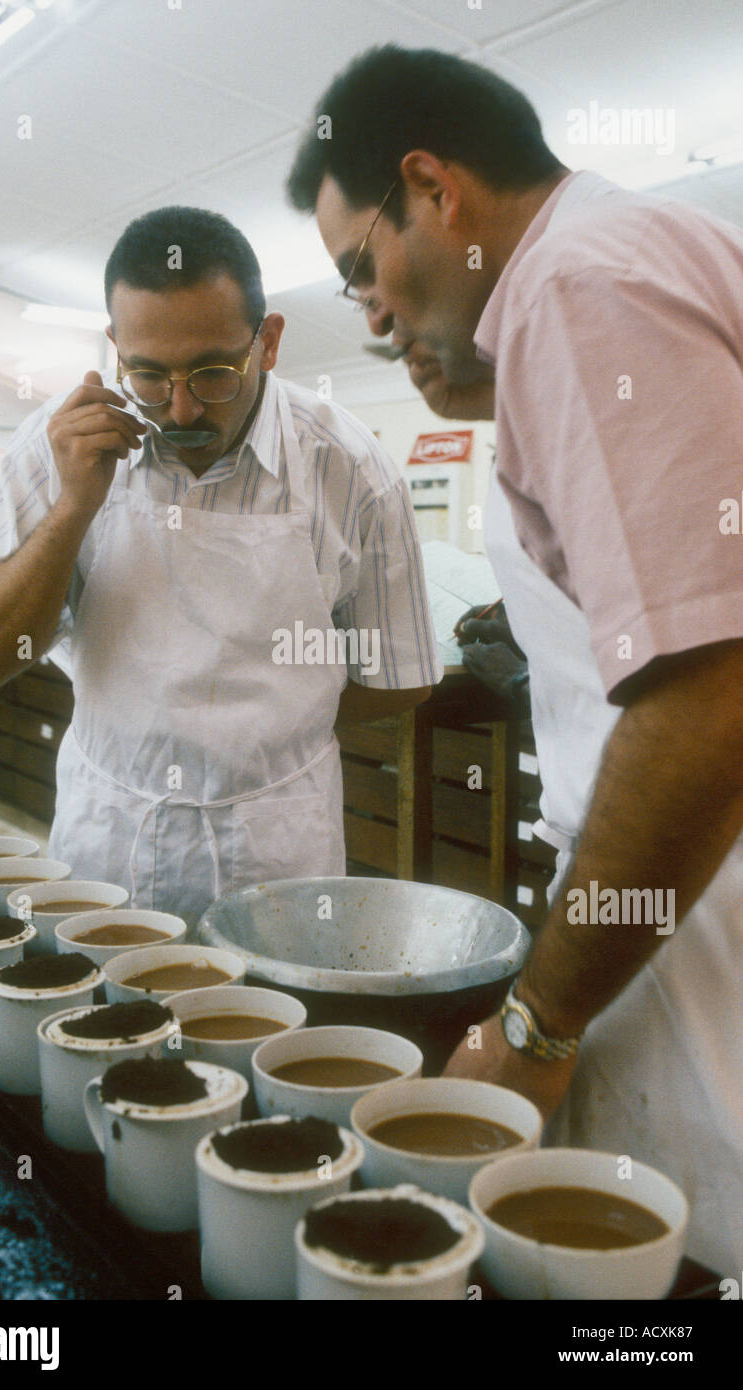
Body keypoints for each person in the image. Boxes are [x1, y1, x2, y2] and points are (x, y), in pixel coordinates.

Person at [287, 45, 743, 1271]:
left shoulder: (576, 288)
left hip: (705, 919)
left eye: (360, 269)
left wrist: (537, 1026)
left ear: (431, 186)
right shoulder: (645, 252)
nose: (372, 314)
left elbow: (707, 698)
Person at [0, 206, 442, 924]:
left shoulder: (350, 468)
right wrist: (74, 507)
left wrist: (266, 730)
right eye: (147, 375)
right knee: (102, 1021)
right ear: (114, 349)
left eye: (212, 372)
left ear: (267, 342)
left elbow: (400, 676)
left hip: (279, 844)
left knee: (274, 1029)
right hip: (107, 831)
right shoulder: (56, 445)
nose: (178, 411)